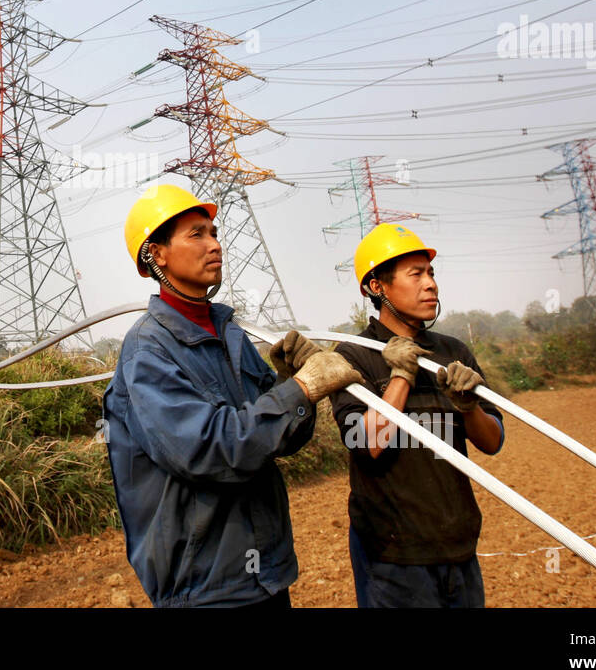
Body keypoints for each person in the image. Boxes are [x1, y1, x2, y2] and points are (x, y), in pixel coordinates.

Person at [103, 184, 361, 608]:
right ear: (156, 254)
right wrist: (302, 388)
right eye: (197, 234)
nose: (215, 245)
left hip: (266, 574)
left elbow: (278, 440)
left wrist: (289, 385)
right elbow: (208, 450)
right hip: (205, 587)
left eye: (214, 232)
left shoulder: (230, 333)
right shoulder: (147, 353)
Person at [328, 223, 505, 608]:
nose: (431, 285)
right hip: (391, 556)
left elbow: (492, 441)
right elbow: (367, 443)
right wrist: (401, 375)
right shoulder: (353, 356)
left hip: (457, 544)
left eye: (431, 273)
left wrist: (468, 405)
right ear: (377, 287)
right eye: (416, 274)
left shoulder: (452, 351)